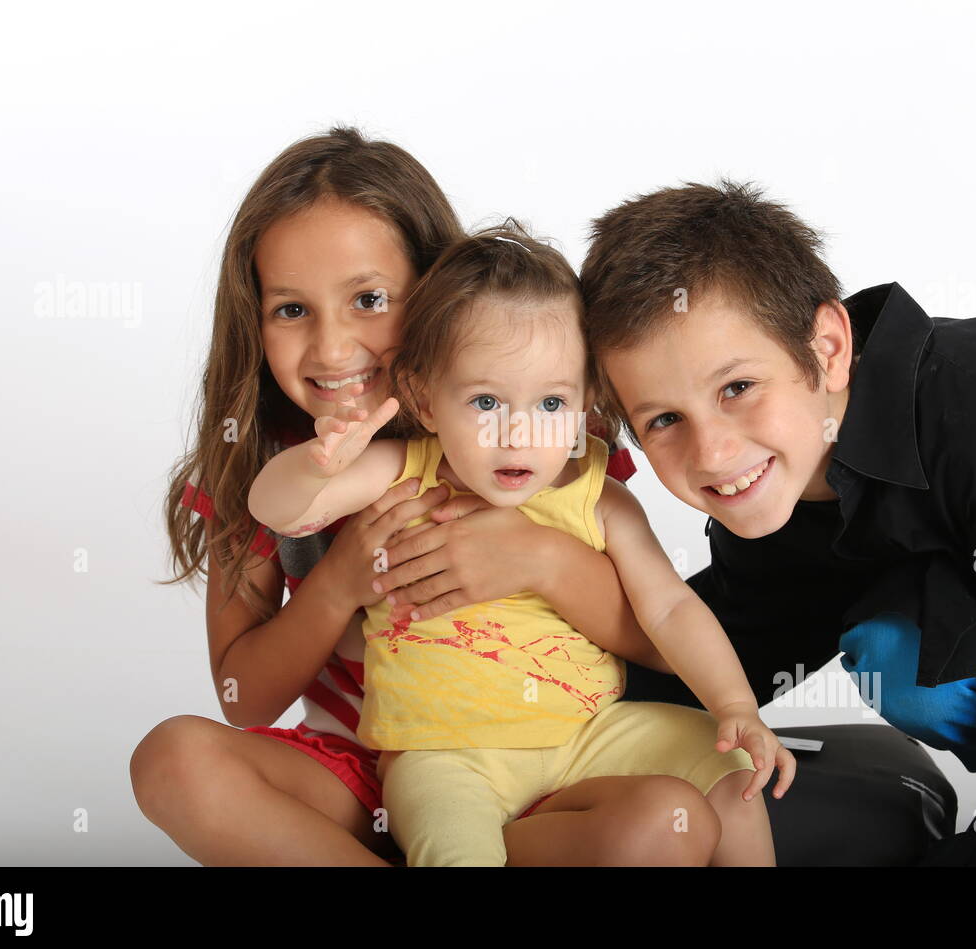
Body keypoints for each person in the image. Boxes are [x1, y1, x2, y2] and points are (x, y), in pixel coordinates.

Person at [578, 178, 976, 865]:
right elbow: (745, 635)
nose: (712, 452)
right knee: (895, 656)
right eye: (664, 420)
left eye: (737, 388)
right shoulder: (789, 469)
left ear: (829, 347)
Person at [130, 128, 689, 866]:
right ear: (253, 320)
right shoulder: (265, 467)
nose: (333, 349)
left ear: (439, 292)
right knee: (175, 762)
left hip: (547, 759)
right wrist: (334, 587)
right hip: (363, 778)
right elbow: (242, 696)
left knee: (661, 823)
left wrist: (541, 560)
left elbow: (659, 639)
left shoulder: (542, 434)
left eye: (368, 299)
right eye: (291, 310)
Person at [248, 223, 794, 866]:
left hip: (589, 733)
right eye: (485, 400)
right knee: (458, 851)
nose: (517, 433)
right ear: (424, 399)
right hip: (444, 755)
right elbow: (279, 509)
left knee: (730, 763)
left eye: (550, 403)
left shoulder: (598, 495)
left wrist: (736, 707)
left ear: (587, 399)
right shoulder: (405, 470)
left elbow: (670, 609)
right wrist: (318, 465)